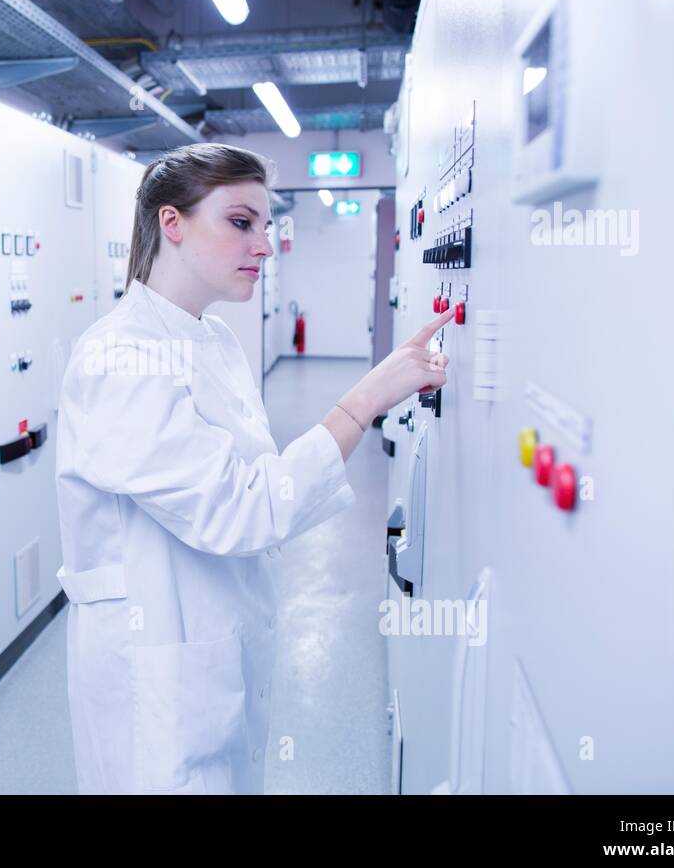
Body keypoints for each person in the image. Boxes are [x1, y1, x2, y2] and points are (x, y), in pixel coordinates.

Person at [54, 142, 452, 794]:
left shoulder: (211, 339)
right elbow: (243, 507)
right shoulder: (118, 358)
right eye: (242, 223)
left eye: (267, 225)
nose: (265, 245)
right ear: (171, 224)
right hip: (155, 676)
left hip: (213, 649)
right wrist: (369, 396)